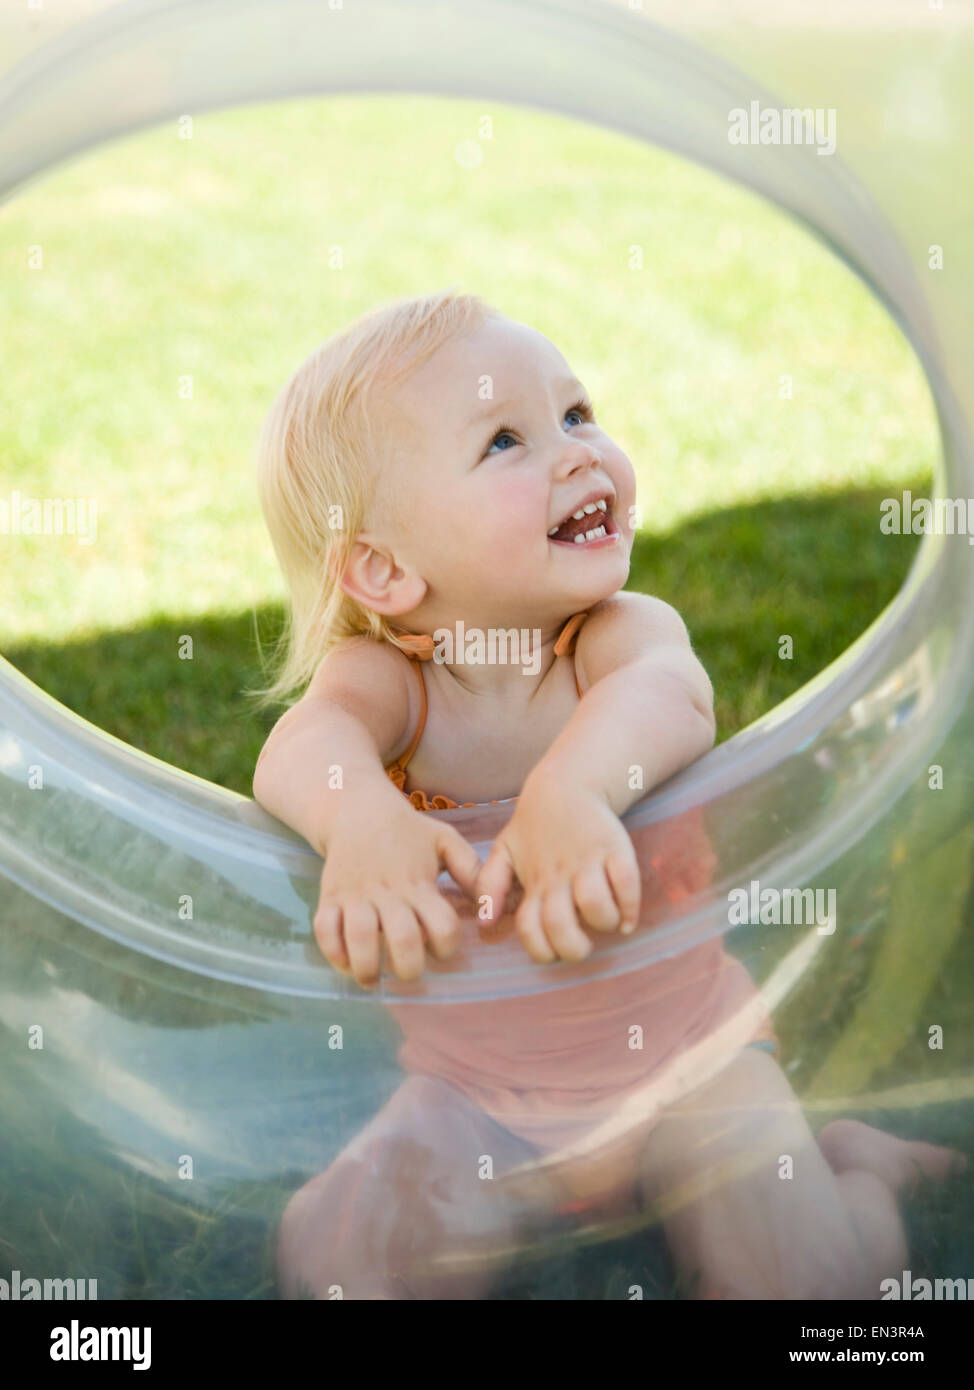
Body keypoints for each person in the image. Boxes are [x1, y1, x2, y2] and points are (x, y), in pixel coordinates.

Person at [251, 288, 964, 1299]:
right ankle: (337, 1214)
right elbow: (302, 745)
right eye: (504, 441)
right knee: (344, 1268)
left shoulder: (611, 638)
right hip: (478, 1096)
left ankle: (865, 1181)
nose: (577, 451)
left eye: (576, 414)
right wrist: (361, 818)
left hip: (688, 1069)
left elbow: (670, 696)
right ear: (382, 568)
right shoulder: (392, 686)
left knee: (806, 1287)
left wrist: (571, 792)